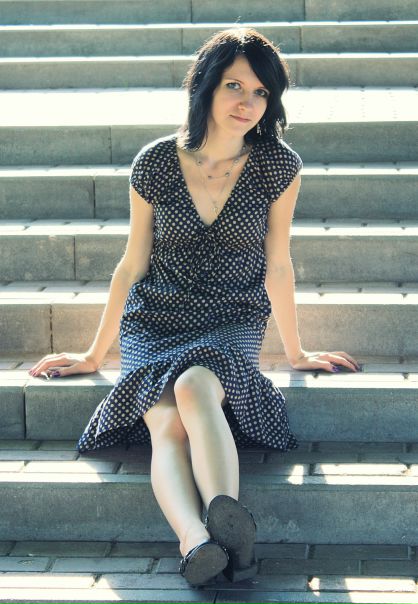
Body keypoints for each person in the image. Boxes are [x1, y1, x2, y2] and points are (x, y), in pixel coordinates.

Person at [29, 28, 359, 587]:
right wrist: (93, 354)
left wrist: (296, 351)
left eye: (261, 93)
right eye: (234, 86)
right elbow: (132, 264)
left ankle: (225, 523)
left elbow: (278, 264)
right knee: (164, 421)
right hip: (154, 319)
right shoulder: (156, 162)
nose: (247, 103)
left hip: (232, 316)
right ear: (205, 86)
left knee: (195, 386)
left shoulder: (278, 166)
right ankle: (197, 541)